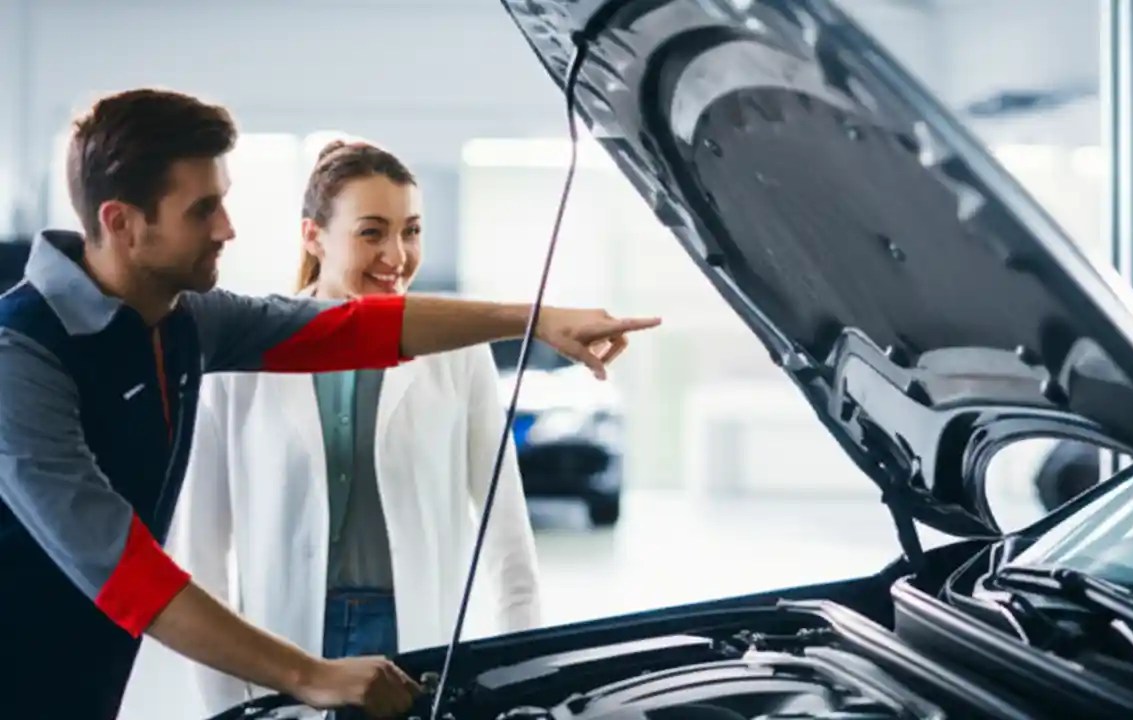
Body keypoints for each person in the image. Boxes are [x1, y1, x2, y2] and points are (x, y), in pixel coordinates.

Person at [0, 88, 659, 719]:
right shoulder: (18, 356)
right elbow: (125, 570)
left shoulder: (184, 323)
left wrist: (535, 320)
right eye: (202, 209)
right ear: (121, 222)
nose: (228, 228)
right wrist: (308, 676)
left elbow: (350, 328)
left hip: (82, 682)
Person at [170, 139, 543, 714]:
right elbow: (202, 545)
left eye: (411, 231)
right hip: (285, 644)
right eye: (372, 232)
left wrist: (523, 670)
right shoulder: (239, 356)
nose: (397, 254)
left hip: (417, 645)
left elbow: (506, 531)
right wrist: (224, 702)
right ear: (313, 237)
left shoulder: (457, 355)